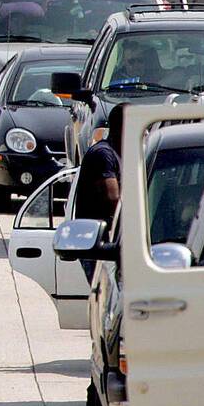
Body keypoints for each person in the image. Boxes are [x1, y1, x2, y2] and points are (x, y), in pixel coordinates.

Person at [75, 103, 124, 283]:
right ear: (123, 127)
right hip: (97, 245)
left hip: (107, 244)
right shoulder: (104, 154)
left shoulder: (118, 153)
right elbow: (113, 198)